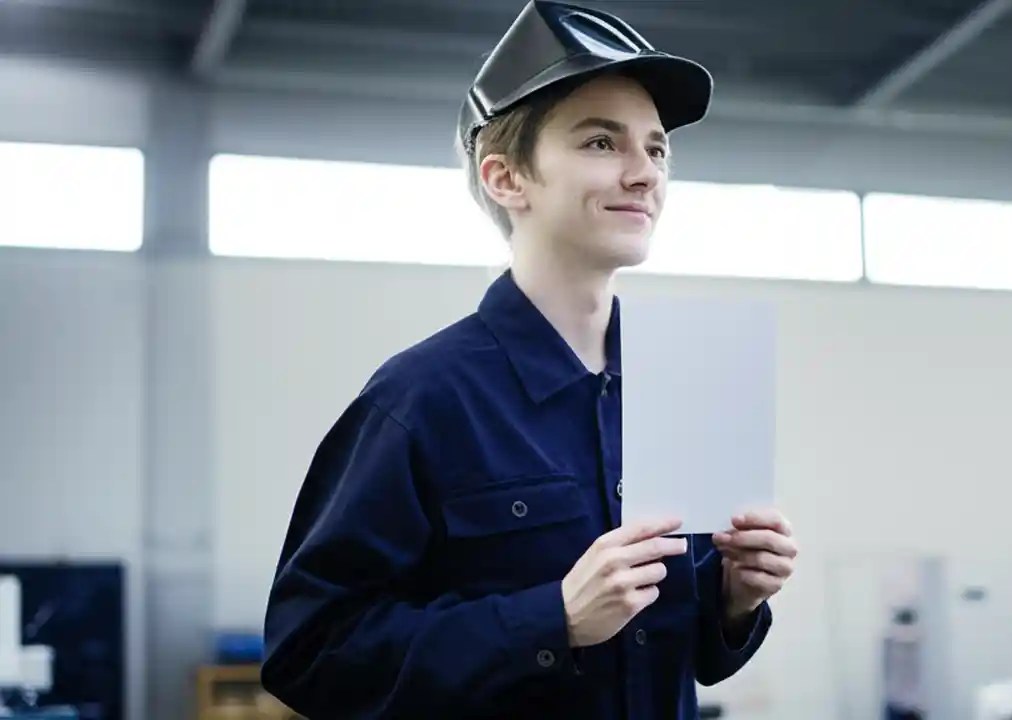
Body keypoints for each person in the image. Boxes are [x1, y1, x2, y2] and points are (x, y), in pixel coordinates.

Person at [260, 2, 798, 718]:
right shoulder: (422, 399)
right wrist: (555, 619)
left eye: (658, 148)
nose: (645, 173)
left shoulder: (689, 380)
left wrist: (735, 598)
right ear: (506, 178)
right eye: (602, 143)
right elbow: (310, 653)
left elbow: (690, 649)